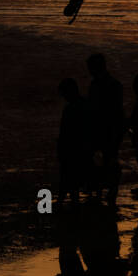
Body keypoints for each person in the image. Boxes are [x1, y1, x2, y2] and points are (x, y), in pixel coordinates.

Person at [86, 53, 124, 204]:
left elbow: (112, 110)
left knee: (108, 159)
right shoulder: (110, 84)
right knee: (106, 159)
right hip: (105, 128)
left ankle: (108, 189)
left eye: (90, 67)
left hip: (107, 128)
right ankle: (104, 188)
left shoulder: (107, 85)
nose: (89, 70)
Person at [57, 78, 92, 208]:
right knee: (76, 179)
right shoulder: (86, 105)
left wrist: (61, 149)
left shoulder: (70, 109)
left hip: (72, 149)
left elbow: (65, 132)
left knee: (67, 178)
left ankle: (64, 203)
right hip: (83, 148)